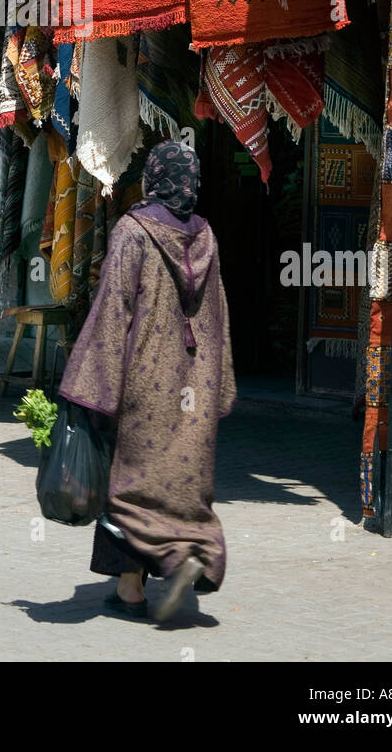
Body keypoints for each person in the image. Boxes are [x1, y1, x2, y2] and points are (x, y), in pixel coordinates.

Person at [57, 140, 236, 622]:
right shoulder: (208, 236)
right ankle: (180, 555)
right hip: (193, 383)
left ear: (152, 178)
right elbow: (217, 316)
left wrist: (90, 383)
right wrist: (220, 384)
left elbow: (112, 311)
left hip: (143, 381)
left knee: (129, 485)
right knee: (183, 482)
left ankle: (152, 576)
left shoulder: (132, 232)